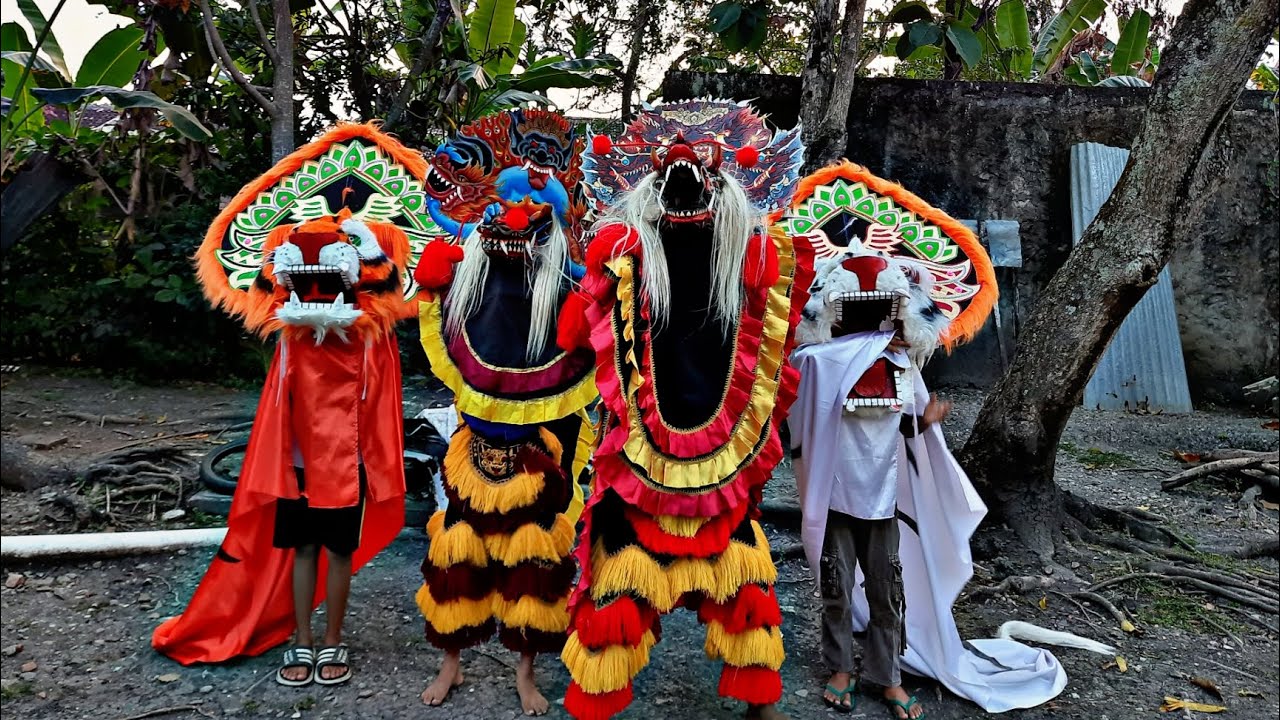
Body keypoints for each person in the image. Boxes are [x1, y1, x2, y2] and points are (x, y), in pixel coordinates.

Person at [555, 100, 810, 720]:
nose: (688, 182)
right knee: (707, 569)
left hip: (690, 455)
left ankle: (609, 693)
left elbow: (570, 338)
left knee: (719, 571)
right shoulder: (656, 261)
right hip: (673, 460)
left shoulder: (732, 262)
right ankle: (738, 699)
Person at [153, 126, 417, 681]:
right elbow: (268, 297)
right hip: (299, 410)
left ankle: (334, 639)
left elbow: (395, 299)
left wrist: (371, 256)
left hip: (353, 413)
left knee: (339, 541)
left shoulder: (387, 239)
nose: (341, 205)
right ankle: (301, 638)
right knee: (301, 541)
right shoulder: (286, 237)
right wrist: (285, 270)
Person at [410, 109, 597, 716]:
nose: (516, 218)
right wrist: (435, 285)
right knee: (458, 551)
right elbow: (445, 275)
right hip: (476, 446)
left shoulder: (565, 287)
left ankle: (525, 672)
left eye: (534, 215)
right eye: (506, 206)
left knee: (535, 562)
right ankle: (452, 661)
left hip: (538, 448)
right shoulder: (471, 275)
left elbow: (597, 309)